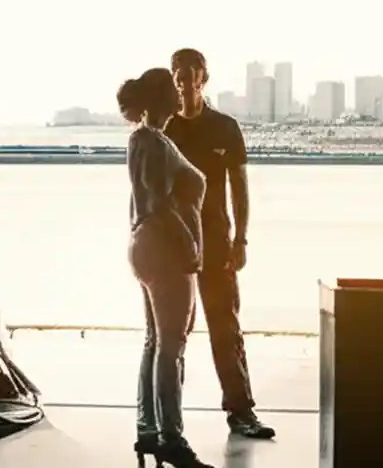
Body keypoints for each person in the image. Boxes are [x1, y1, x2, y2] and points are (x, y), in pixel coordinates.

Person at [164, 49, 276, 440]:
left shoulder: (225, 128)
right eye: (177, 74)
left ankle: (241, 411)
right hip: (173, 246)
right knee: (168, 335)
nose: (184, 81)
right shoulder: (164, 130)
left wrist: (241, 239)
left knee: (225, 328)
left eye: (191, 74)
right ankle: (165, 419)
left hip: (217, 244)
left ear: (203, 79)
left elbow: (240, 189)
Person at [119, 67, 213, 468]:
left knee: (155, 341)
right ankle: (171, 439)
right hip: (166, 252)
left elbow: (144, 204)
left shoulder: (143, 140)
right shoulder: (153, 144)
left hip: (146, 247)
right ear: (161, 98)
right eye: (175, 89)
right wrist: (190, 242)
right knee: (171, 346)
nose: (181, 94)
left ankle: (148, 430)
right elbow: (157, 203)